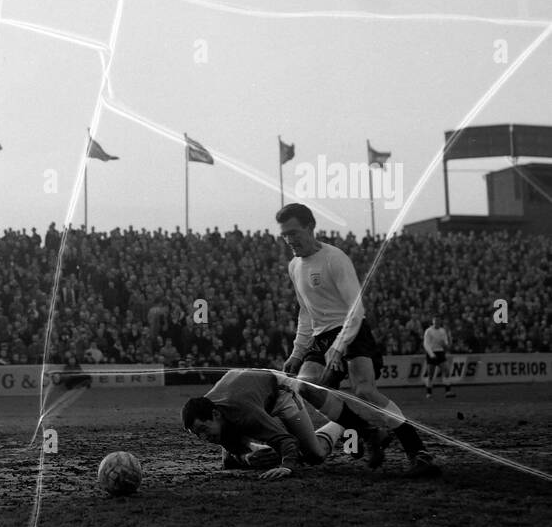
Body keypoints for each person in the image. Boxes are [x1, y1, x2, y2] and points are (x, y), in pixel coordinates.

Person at [275, 203, 438, 477]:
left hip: (352, 329)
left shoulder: (334, 259)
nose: (289, 240)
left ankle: (418, 451)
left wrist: (339, 346)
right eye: (284, 235)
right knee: (306, 386)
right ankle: (368, 433)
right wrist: (297, 352)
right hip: (322, 336)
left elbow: (356, 310)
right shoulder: (294, 266)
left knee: (365, 391)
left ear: (310, 227)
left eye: (293, 233)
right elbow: (305, 311)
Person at [181, 368, 345, 480]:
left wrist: (287, 466)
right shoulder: (212, 413)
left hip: (279, 390)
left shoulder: (245, 414)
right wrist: (246, 457)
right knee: (236, 455)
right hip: (248, 388)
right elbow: (231, 450)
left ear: (216, 414)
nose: (204, 437)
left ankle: (341, 424)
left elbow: (286, 440)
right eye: (197, 434)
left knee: (314, 455)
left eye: (203, 429)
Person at [421, 317, 455, 398]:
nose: (437, 322)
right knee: (430, 374)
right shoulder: (428, 331)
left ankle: (448, 391)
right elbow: (426, 344)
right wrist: (431, 354)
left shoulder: (442, 331)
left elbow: (445, 342)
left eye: (438, 321)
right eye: (435, 321)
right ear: (433, 322)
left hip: (440, 352)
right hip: (431, 352)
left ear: (440, 322)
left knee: (446, 371)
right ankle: (429, 393)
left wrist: (445, 345)